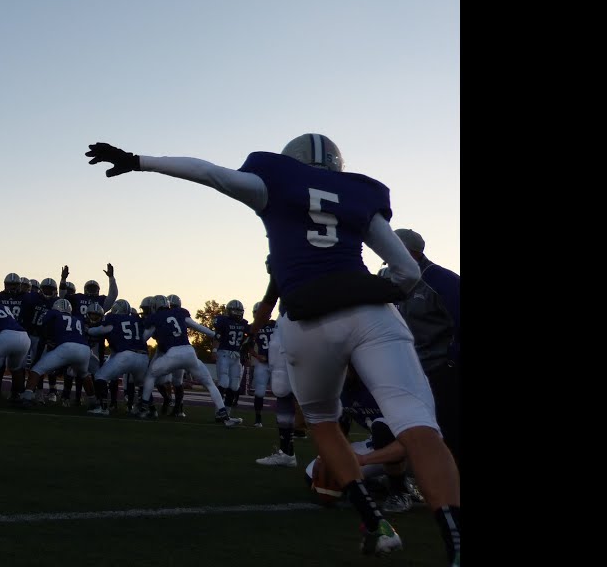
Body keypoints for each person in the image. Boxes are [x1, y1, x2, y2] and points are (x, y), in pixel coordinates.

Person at [86, 135, 460, 564]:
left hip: (308, 318)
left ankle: (374, 523)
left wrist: (138, 160)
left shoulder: (274, 179)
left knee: (321, 421)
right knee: (419, 426)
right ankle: (454, 545)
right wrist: (366, 291)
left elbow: (207, 172)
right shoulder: (361, 192)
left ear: (291, 159)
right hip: (373, 314)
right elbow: (408, 272)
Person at [391, 228, 461, 469]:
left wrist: (451, 362)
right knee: (411, 428)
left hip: (441, 369)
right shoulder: (392, 279)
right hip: (410, 368)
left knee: (448, 429)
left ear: (410, 252)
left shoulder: (443, 281)